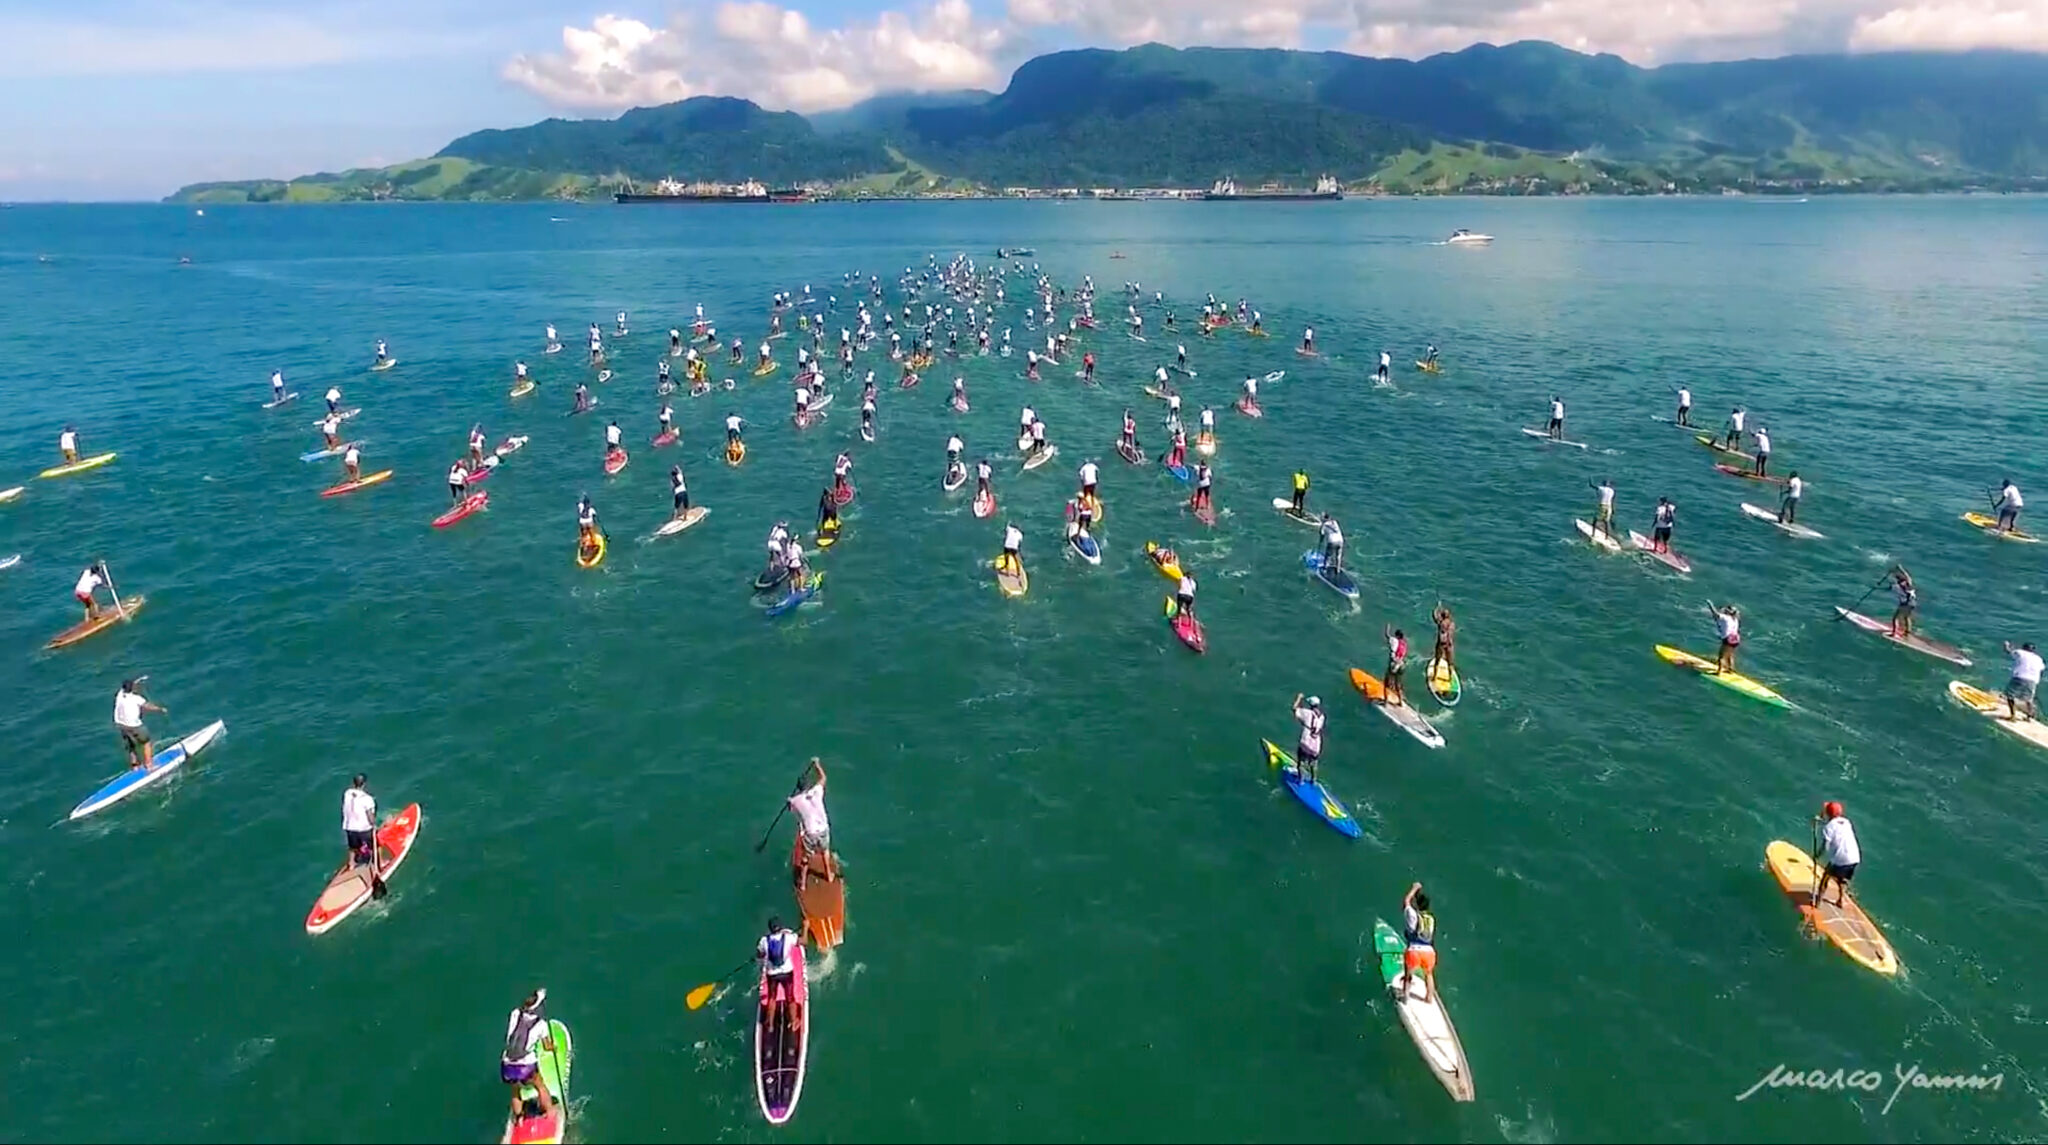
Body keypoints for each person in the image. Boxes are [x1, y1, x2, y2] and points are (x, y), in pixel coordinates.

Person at [501, 989, 558, 1121]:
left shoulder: (514, 1014)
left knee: (515, 1090)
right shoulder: (541, 1025)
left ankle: (519, 1119)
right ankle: (550, 1114)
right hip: (525, 1065)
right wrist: (553, 1047)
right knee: (540, 1085)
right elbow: (546, 1046)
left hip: (507, 1062)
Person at [789, 757, 835, 880]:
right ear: (809, 785)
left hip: (809, 833)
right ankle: (829, 876)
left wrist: (789, 801)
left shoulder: (796, 801)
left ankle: (803, 883)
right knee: (825, 851)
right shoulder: (817, 791)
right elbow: (823, 778)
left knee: (806, 858)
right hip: (823, 829)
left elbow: (791, 807)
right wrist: (817, 765)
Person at [1811, 801, 1860, 909]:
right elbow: (1834, 824)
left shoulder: (1828, 828)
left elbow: (1825, 847)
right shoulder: (1847, 822)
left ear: (1828, 813)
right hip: (1854, 858)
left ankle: (1817, 902)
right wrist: (1820, 820)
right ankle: (1840, 900)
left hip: (1840, 859)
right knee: (1841, 879)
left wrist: (1816, 856)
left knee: (1825, 878)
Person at [757, 917, 804, 1030]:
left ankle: (770, 1024)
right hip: (787, 972)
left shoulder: (764, 940)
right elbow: (804, 941)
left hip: (772, 973)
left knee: (772, 998)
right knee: (790, 998)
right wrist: (806, 927)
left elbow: (760, 954)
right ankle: (793, 1022)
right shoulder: (788, 938)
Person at [113, 677, 166, 770]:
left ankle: (135, 767)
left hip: (122, 725)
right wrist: (160, 709)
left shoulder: (119, 695)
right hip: (135, 726)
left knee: (131, 746)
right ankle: (150, 766)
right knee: (146, 743)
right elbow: (148, 706)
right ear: (132, 688)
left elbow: (127, 687)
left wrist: (138, 680)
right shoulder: (136, 698)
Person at [1400, 882, 1438, 998]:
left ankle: (1405, 997)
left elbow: (1406, 902)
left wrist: (1414, 889)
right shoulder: (1431, 919)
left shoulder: (1412, 915)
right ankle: (1429, 998)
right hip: (1429, 952)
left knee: (1408, 974)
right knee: (1429, 974)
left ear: (1417, 905)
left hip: (1414, 950)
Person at [341, 773, 378, 869]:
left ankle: (351, 864)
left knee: (352, 848)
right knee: (375, 846)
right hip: (364, 829)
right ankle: (379, 863)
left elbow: (354, 795)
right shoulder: (368, 799)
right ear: (364, 784)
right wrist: (374, 825)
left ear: (353, 783)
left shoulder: (347, 793)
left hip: (349, 827)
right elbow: (370, 816)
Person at [2003, 639, 2043, 721]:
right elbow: (2041, 668)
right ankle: (2029, 717)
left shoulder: (2020, 652)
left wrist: (2006, 645)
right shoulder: (2039, 659)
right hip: (2033, 680)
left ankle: (2013, 716)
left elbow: (2008, 651)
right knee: (2029, 699)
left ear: (2024, 648)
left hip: (2019, 677)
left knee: (2010, 696)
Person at [1290, 693, 1325, 782]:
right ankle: (1314, 780)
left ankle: (1300, 780)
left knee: (1301, 762)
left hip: (1306, 741)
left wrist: (1299, 698)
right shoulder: (1322, 717)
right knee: (1313, 763)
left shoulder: (1307, 713)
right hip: (1316, 744)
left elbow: (1294, 709)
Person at [1383, 626, 1409, 706]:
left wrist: (1387, 628)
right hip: (1401, 664)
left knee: (1386, 683)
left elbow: (1387, 635)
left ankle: (1386, 702)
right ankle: (1401, 702)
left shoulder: (1394, 640)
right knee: (1398, 684)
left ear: (1397, 636)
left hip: (1394, 665)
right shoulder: (1404, 644)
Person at [1713, 603, 1742, 674]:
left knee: (1721, 656)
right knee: (1730, 655)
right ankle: (1730, 670)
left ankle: (1718, 672)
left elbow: (1716, 614)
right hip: (1736, 639)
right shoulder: (1736, 619)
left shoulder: (1725, 617)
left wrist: (1710, 605)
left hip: (1728, 639)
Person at [1432, 604, 1456, 670]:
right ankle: (1451, 675)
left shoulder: (1441, 623)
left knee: (1437, 661)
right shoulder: (1452, 624)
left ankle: (1434, 676)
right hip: (1449, 644)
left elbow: (1434, 616)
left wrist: (1437, 608)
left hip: (1441, 643)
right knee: (1450, 663)